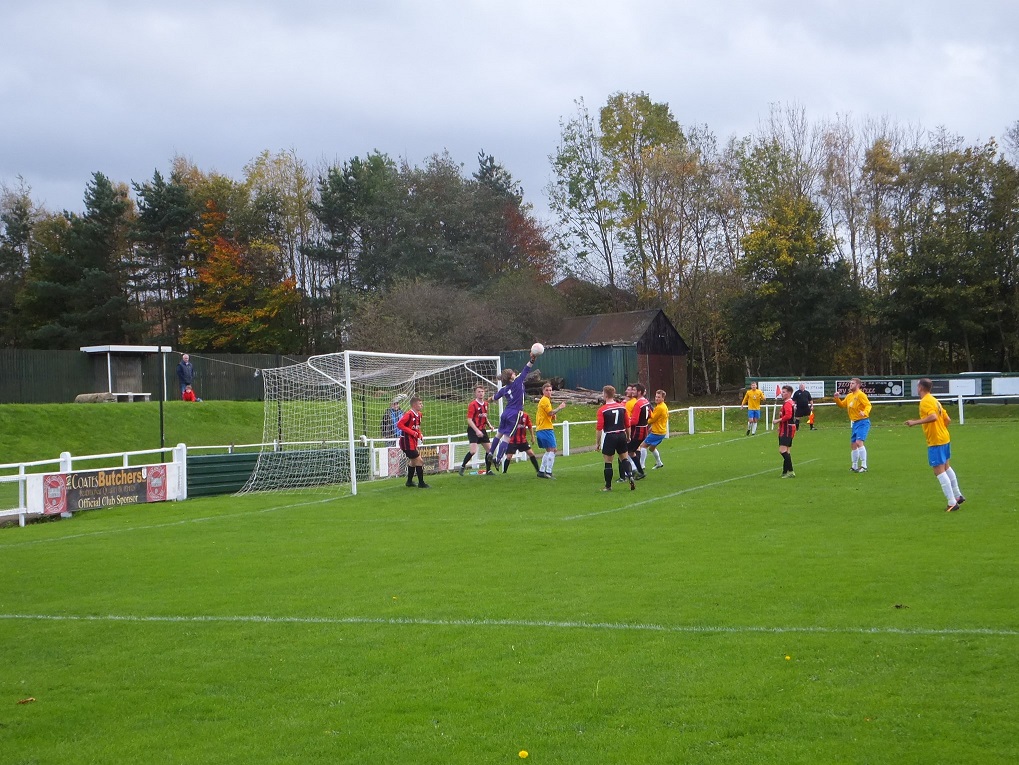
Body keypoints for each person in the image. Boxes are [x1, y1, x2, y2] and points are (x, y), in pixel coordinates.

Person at [905, 378, 966, 512]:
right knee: (946, 467)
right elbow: (947, 419)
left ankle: (952, 502)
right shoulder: (934, 400)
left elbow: (933, 417)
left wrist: (914, 422)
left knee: (938, 470)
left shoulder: (925, 401)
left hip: (936, 440)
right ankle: (957, 495)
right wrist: (941, 429)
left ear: (920, 387)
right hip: (944, 437)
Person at [489, 353, 536, 466]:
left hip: (505, 413)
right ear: (511, 376)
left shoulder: (504, 389)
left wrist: (489, 399)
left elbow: (494, 398)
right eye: (514, 373)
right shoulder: (518, 381)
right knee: (507, 437)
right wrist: (532, 360)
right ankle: (498, 459)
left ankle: (490, 452)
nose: (515, 374)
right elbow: (526, 369)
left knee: (499, 434)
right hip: (514, 414)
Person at [596, 385, 635, 492]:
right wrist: (628, 437)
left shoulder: (602, 410)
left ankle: (608, 486)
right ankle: (630, 476)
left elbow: (599, 428)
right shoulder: (622, 407)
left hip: (610, 436)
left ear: (605, 394)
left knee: (608, 462)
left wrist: (597, 443)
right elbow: (627, 424)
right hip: (621, 435)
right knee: (624, 459)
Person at [834, 377, 872, 472]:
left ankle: (864, 466)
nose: (850, 385)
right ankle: (854, 466)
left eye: (853, 383)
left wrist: (865, 412)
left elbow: (868, 405)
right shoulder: (849, 396)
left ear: (858, 385)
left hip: (863, 421)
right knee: (853, 444)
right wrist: (837, 398)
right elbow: (842, 405)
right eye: (850, 383)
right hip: (855, 422)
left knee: (859, 442)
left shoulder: (861, 395)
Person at [459, 386, 495, 476]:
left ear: (484, 393)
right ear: (475, 393)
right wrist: (477, 431)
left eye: (482, 391)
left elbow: (485, 416)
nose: (481, 393)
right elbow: (469, 420)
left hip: (482, 429)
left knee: (489, 451)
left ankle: (488, 470)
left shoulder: (486, 404)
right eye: (479, 392)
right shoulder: (473, 404)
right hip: (473, 430)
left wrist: (489, 425)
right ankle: (463, 466)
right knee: (473, 451)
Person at [535, 382, 566, 479]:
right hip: (545, 428)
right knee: (553, 449)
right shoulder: (545, 400)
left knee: (549, 450)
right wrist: (560, 408)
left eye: (550, 390)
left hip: (542, 428)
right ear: (543, 391)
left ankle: (541, 471)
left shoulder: (545, 400)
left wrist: (552, 415)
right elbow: (550, 412)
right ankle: (548, 472)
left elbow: (547, 414)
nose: (549, 392)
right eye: (547, 390)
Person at [397, 396, 429, 489]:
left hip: (413, 442)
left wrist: (420, 434)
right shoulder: (409, 414)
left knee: (413, 462)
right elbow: (399, 424)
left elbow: (417, 427)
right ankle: (421, 483)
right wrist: (412, 432)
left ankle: (409, 482)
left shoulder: (419, 415)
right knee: (419, 461)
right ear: (414, 405)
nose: (422, 405)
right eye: (420, 404)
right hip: (406, 442)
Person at [502, 410, 541, 475]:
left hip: (522, 440)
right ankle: (504, 472)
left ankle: (538, 470)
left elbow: (530, 426)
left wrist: (532, 437)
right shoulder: (511, 416)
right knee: (509, 456)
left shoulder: (525, 415)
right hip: (512, 440)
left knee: (531, 453)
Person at [627, 383, 652, 479]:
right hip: (644, 430)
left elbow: (634, 421)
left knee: (625, 451)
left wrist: (626, 421)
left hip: (637, 432)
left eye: (634, 390)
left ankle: (628, 474)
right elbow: (650, 414)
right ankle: (639, 471)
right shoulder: (646, 401)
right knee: (631, 451)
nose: (632, 392)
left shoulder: (638, 404)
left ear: (639, 392)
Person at [640, 389, 669, 469]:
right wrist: (653, 426)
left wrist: (643, 422)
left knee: (643, 446)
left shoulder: (659, 408)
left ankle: (641, 465)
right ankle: (659, 463)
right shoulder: (664, 406)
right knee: (652, 448)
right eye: (656, 397)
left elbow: (652, 419)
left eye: (659, 397)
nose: (656, 398)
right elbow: (660, 419)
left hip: (657, 432)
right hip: (662, 431)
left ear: (663, 398)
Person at [776, 384, 797, 477]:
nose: (782, 393)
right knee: (787, 451)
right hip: (788, 428)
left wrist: (778, 420)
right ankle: (785, 472)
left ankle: (791, 471)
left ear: (789, 393)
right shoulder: (790, 402)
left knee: (782, 450)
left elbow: (788, 416)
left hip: (787, 429)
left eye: (784, 392)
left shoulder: (788, 403)